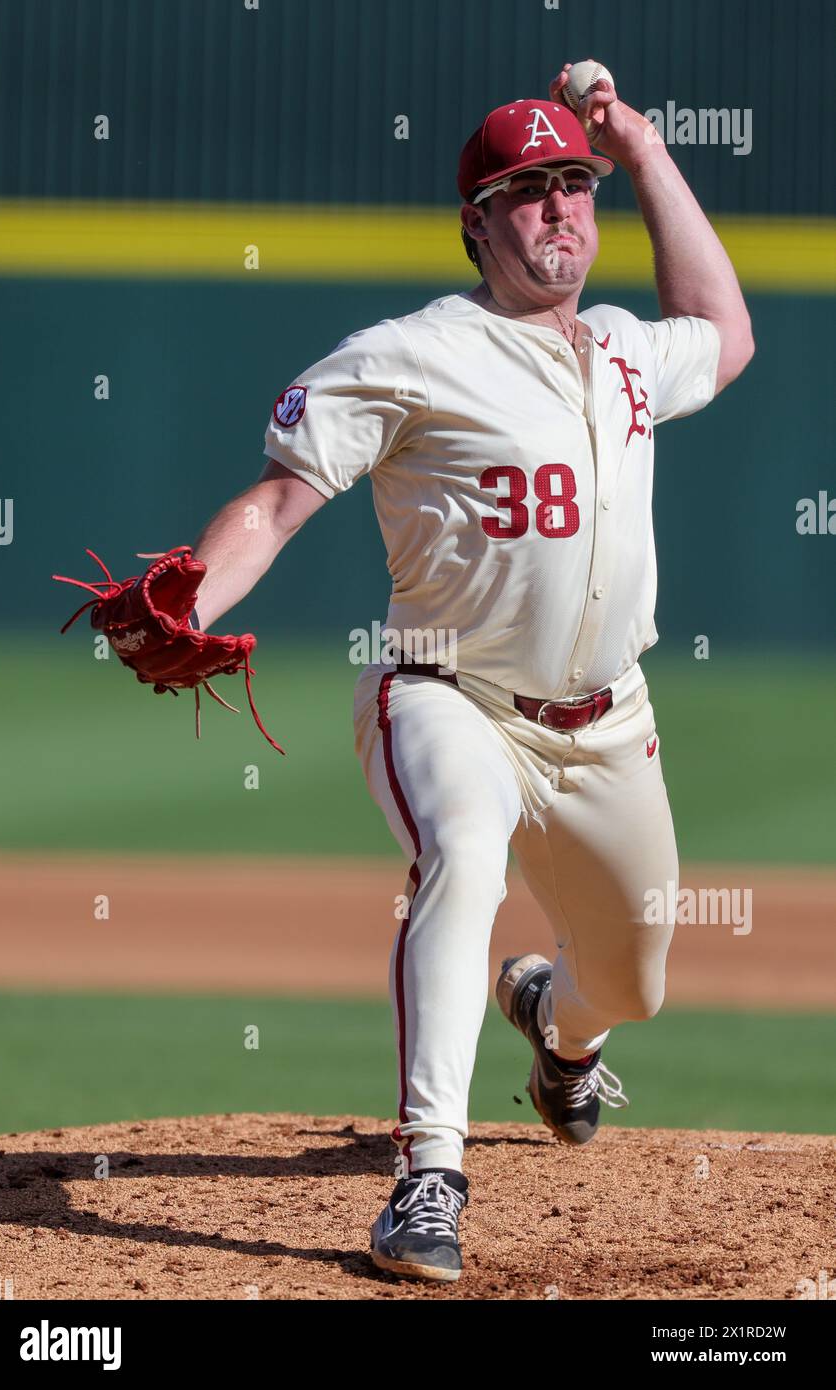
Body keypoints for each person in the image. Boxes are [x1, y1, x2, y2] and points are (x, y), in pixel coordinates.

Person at [190, 67, 754, 1283]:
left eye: (572, 187)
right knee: (464, 848)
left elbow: (726, 330)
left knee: (635, 983)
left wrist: (644, 151)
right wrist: (189, 593)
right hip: (446, 692)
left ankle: (555, 1027)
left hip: (610, 724)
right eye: (526, 191)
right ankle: (428, 1178)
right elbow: (283, 502)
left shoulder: (619, 352)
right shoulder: (410, 355)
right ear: (476, 221)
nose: (559, 210)